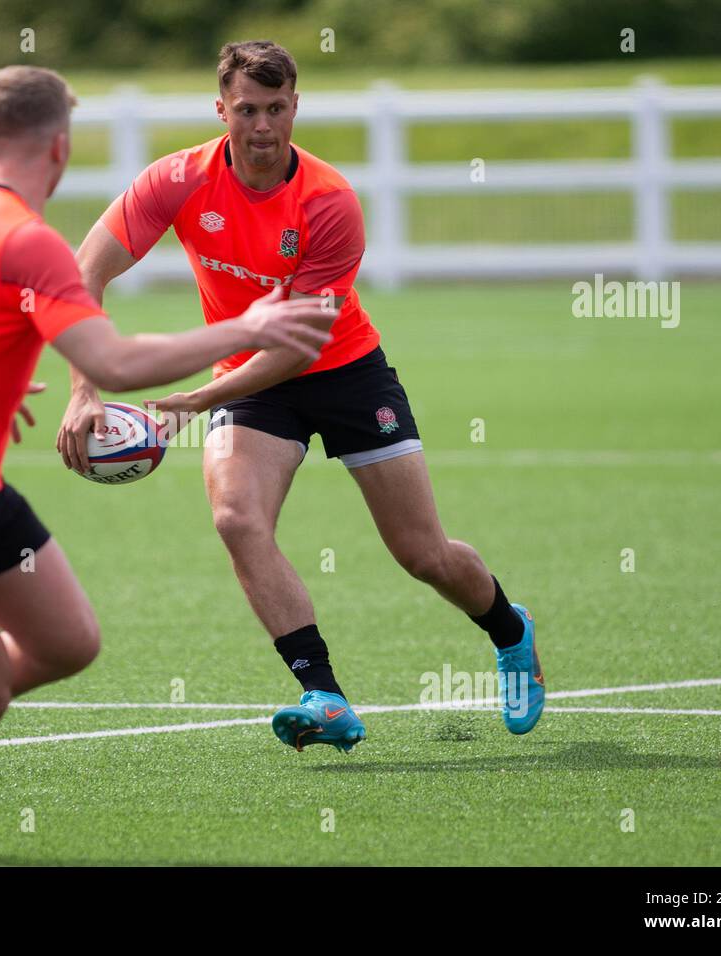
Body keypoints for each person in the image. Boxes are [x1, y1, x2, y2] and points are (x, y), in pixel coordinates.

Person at [0, 64, 334, 861]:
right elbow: (120, 362)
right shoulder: (31, 244)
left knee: (67, 643)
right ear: (59, 150)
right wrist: (251, 327)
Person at [56, 41, 545, 755]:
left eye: (276, 108)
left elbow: (296, 349)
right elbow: (81, 277)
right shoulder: (177, 179)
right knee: (235, 517)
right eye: (246, 109)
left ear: (296, 106)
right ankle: (323, 695)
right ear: (220, 109)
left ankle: (511, 631)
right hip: (248, 383)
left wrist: (192, 401)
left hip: (343, 372)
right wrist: (83, 386)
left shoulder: (328, 201)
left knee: (421, 553)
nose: (261, 126)